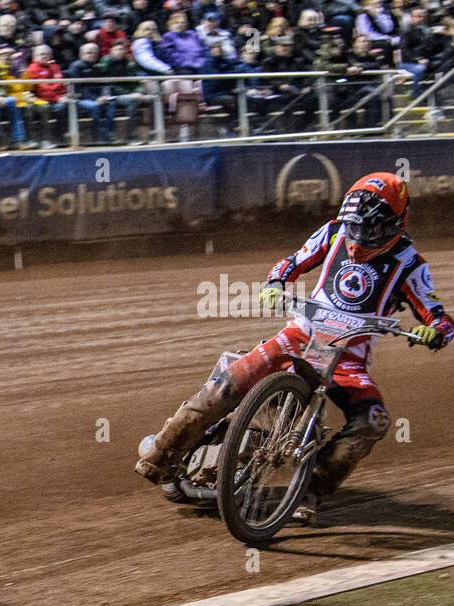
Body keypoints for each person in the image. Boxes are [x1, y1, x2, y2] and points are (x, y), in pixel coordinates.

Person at [135, 174, 451, 524]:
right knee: (226, 384)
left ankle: (311, 489)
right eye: (355, 227)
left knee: (373, 421)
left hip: (347, 360)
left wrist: (435, 331)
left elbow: (437, 313)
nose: (358, 238)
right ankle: (161, 453)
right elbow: (292, 261)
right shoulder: (333, 232)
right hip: (298, 336)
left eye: (369, 230)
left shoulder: (411, 264)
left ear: (395, 223)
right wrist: (276, 283)